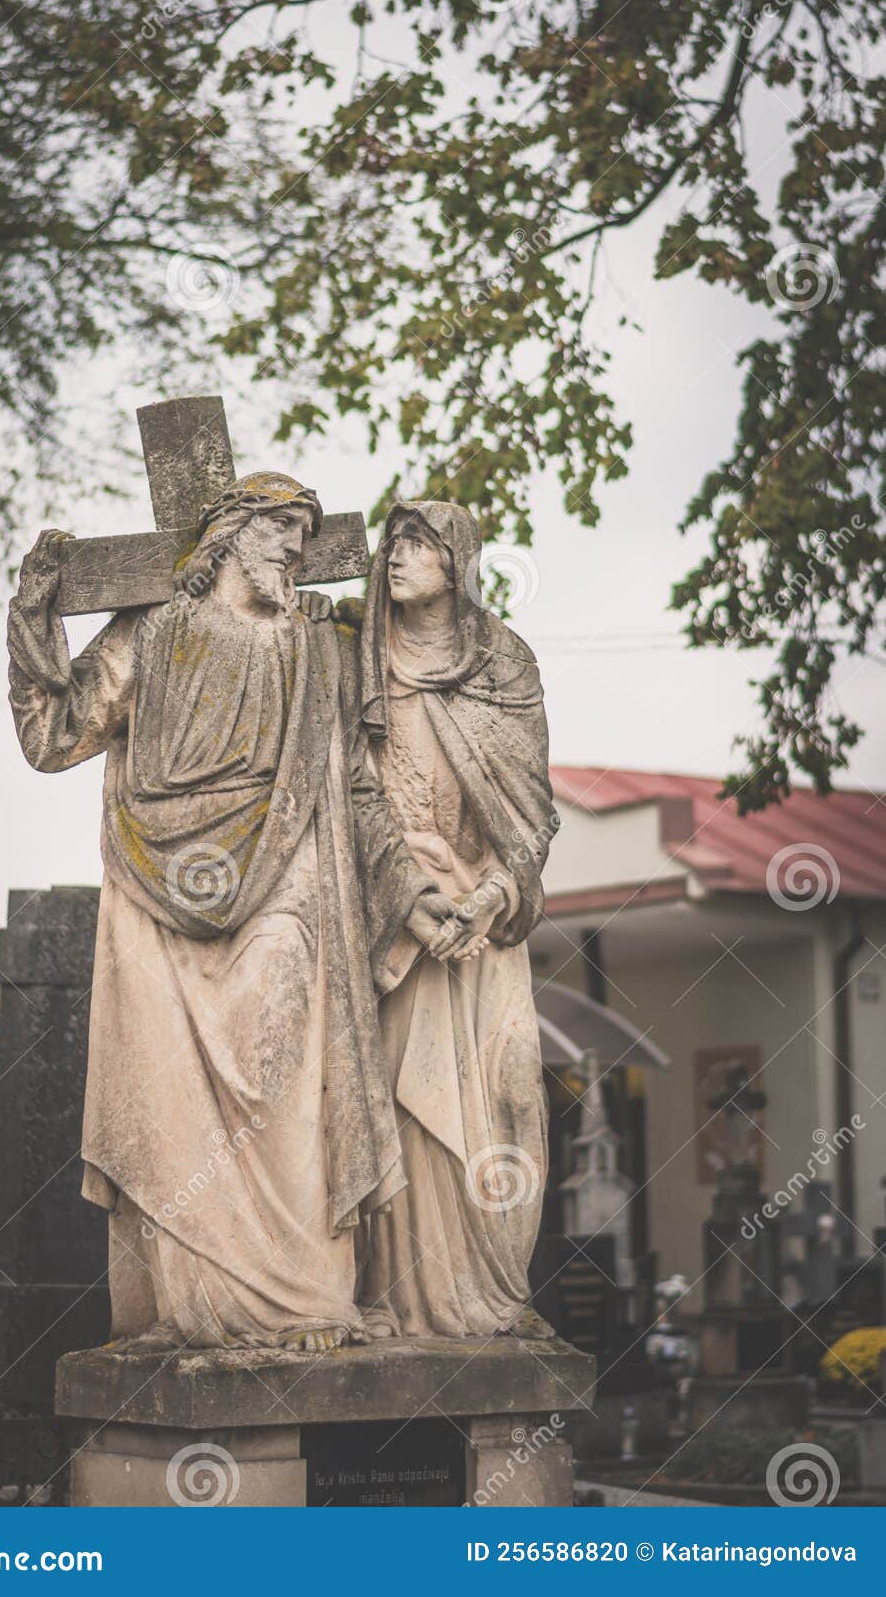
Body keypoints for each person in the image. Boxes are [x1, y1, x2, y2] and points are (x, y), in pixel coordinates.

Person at [7, 473, 453, 1352]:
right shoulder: (152, 632)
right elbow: (54, 737)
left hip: (285, 874)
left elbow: (357, 788)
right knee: (169, 1099)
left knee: (287, 1063)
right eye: (278, 527)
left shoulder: (314, 648)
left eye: (303, 531)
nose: (293, 546)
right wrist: (34, 615)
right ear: (226, 535)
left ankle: (300, 1294)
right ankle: (197, 1305)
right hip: (157, 890)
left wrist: (406, 885)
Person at [354, 500, 557, 1338]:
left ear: (456, 559)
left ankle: (494, 1290)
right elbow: (350, 790)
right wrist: (408, 892)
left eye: (416, 543)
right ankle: (416, 1302)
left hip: (483, 924)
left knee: (510, 1090)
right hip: (401, 926)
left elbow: (531, 814)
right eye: (391, 541)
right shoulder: (360, 655)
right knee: (407, 1108)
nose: (396, 556)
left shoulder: (503, 663)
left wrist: (490, 896)